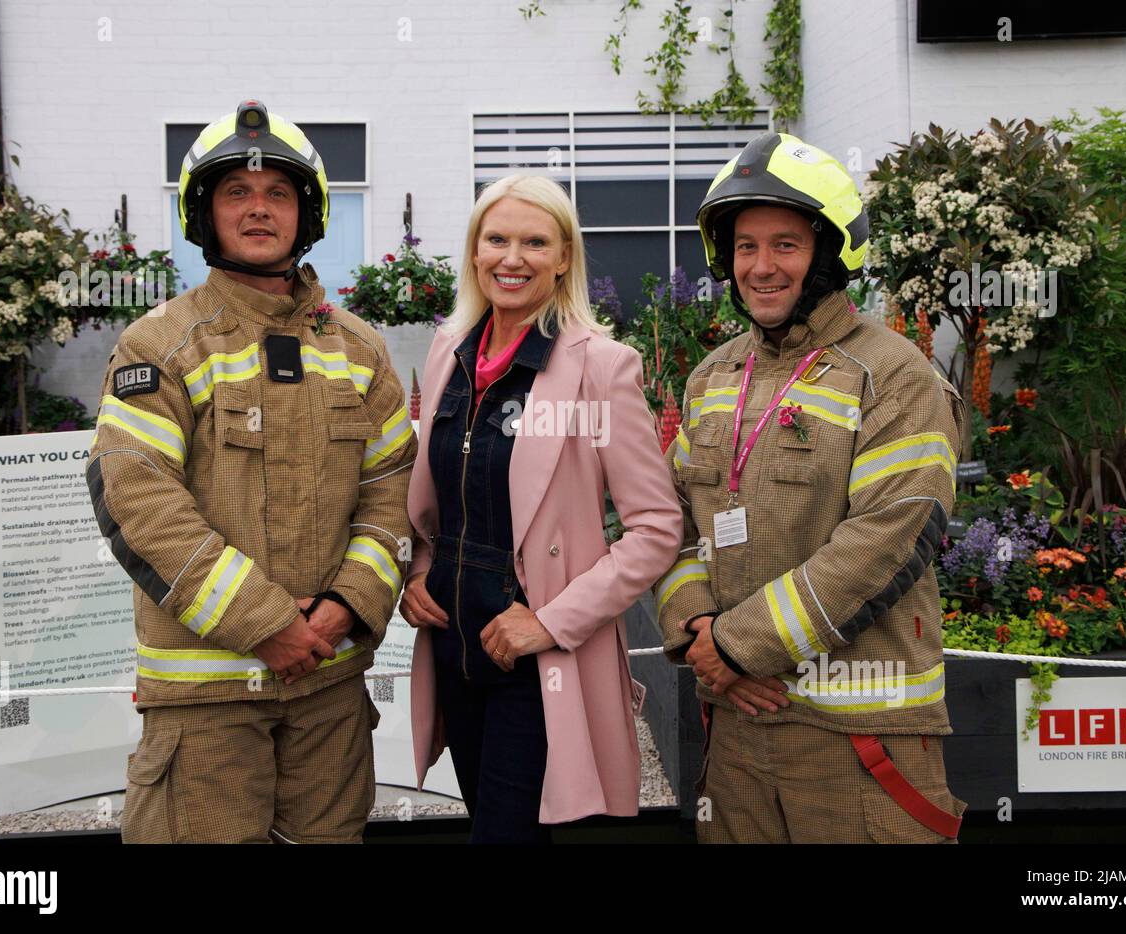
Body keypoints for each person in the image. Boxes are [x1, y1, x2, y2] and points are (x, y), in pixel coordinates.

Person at [87, 100, 414, 843]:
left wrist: (343, 610)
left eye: (278, 194)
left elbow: (390, 493)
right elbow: (139, 501)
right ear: (205, 214)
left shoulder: (360, 350)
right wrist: (268, 626)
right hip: (206, 705)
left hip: (327, 689)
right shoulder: (162, 345)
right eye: (236, 192)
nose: (259, 210)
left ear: (309, 213)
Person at [654, 131, 970, 843]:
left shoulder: (892, 375)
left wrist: (737, 648)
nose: (760, 267)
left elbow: (888, 537)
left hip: (857, 736)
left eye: (785, 245)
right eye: (744, 247)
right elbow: (668, 524)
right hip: (738, 731)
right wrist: (703, 634)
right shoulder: (712, 377)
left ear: (828, 255)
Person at [397, 174, 682, 843]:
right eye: (496, 239)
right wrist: (419, 573)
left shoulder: (601, 368)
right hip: (453, 644)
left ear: (563, 258)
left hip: (532, 655)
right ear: (474, 252)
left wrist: (553, 621)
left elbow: (656, 528)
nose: (511, 257)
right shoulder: (449, 351)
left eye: (534, 242)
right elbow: (442, 495)